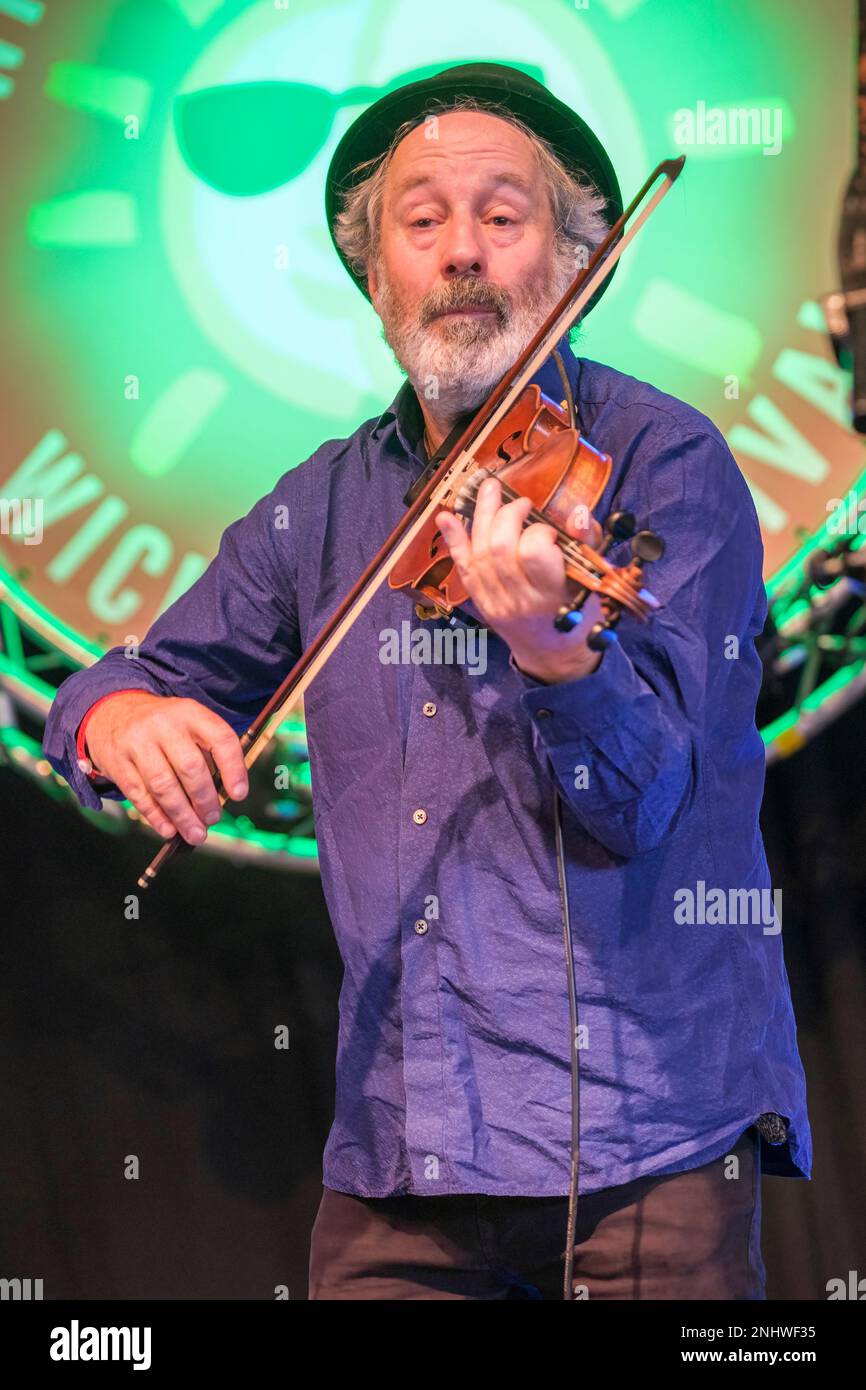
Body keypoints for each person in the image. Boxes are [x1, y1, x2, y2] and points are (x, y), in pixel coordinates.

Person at [43, 63, 811, 1301]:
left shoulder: (667, 463)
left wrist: (560, 657)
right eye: (421, 222)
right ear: (375, 274)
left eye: (502, 218)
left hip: (647, 1146)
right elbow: (125, 679)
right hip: (407, 1153)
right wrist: (124, 721)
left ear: (576, 262)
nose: (461, 253)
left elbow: (647, 798)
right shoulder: (324, 505)